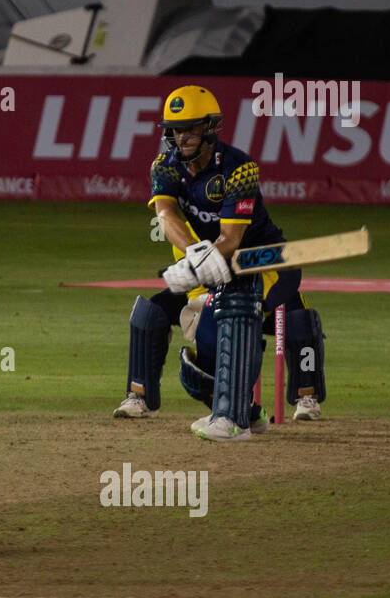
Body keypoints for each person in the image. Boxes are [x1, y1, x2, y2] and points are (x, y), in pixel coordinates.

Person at [111, 85, 327, 441]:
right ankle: (141, 396)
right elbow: (166, 215)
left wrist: (202, 260)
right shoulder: (164, 166)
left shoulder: (239, 168)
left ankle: (304, 397)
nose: (182, 138)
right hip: (209, 266)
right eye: (176, 130)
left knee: (274, 315)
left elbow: (231, 239)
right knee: (152, 313)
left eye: (191, 128)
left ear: (210, 127)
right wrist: (195, 254)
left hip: (264, 261)